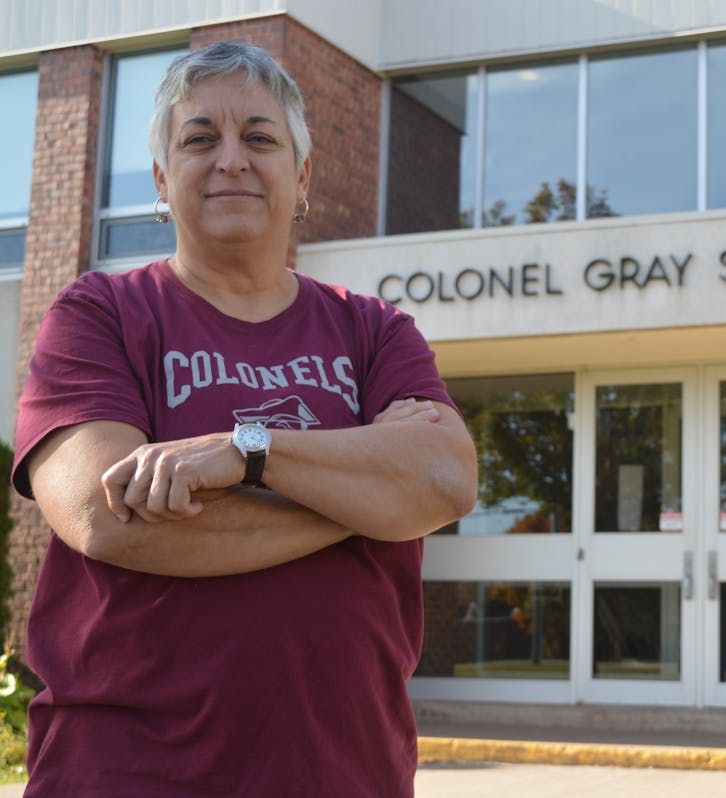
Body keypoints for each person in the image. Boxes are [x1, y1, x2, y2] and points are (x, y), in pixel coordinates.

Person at [9, 41, 477, 797]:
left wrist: (249, 453)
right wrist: (370, 503)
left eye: (260, 137)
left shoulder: (374, 331)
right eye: (200, 139)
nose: (231, 160)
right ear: (162, 179)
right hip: (124, 775)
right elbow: (103, 515)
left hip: (345, 775)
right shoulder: (99, 315)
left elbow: (447, 479)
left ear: (303, 176)